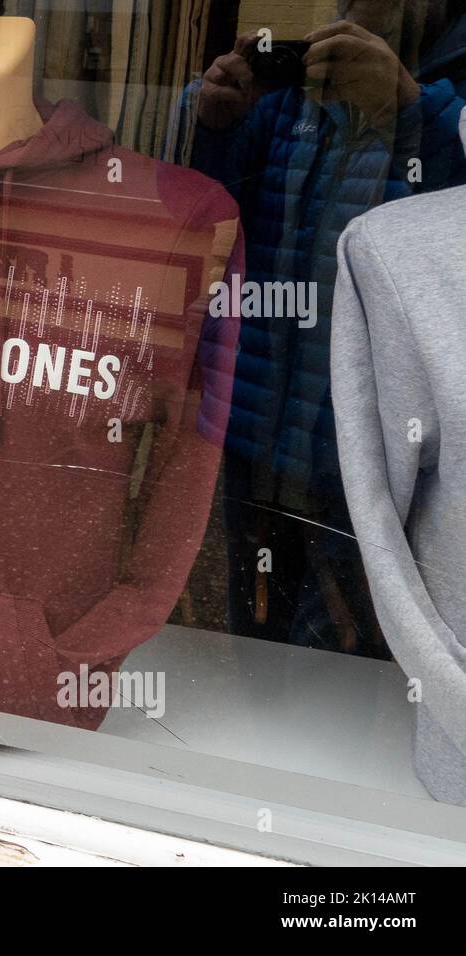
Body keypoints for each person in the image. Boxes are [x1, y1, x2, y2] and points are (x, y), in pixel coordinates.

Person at [187, 0, 466, 654]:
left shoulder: (440, 98)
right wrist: (218, 122)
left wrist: (411, 112)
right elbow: (213, 217)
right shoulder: (290, 98)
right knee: (252, 633)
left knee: (359, 651)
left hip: (381, 451)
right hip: (258, 430)